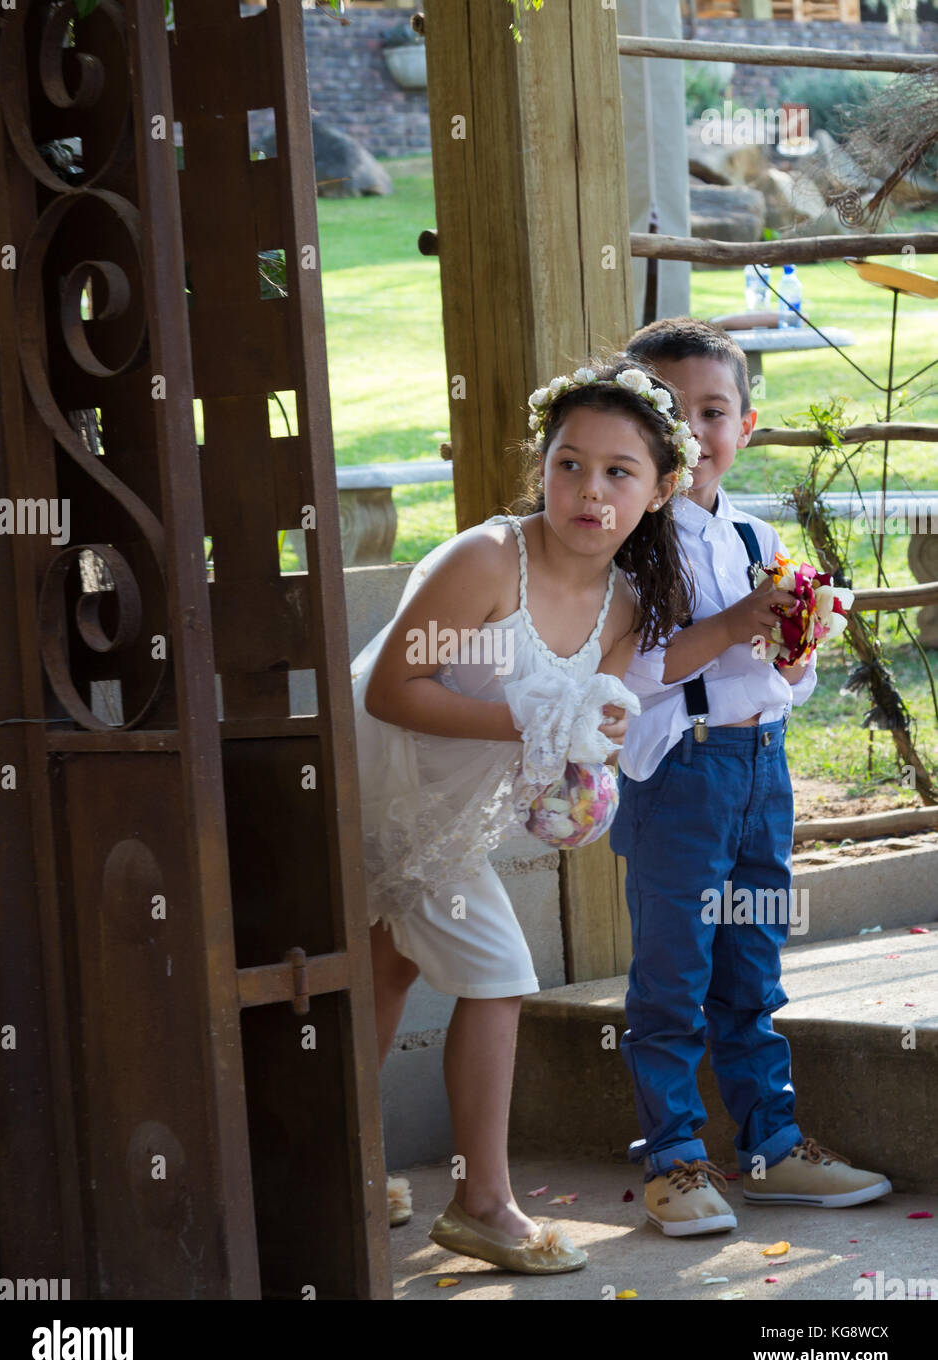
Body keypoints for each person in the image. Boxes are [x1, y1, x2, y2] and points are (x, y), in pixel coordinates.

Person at [351, 356, 698, 1272]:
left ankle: (335, 1166)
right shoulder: (484, 560)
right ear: (540, 467)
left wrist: (592, 755)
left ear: (661, 490)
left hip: (454, 805)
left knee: (384, 970)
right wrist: (532, 720)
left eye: (619, 472)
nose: (589, 490)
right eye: (569, 464)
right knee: (499, 972)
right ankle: (484, 1203)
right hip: (377, 783)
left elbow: (596, 716)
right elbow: (391, 689)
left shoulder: (626, 601)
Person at [611, 317, 892, 1237]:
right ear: (638, 426)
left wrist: (796, 641)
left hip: (761, 774)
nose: (694, 431)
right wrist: (733, 625)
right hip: (681, 779)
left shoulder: (754, 532)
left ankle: (771, 1146)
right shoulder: (630, 544)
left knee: (752, 967)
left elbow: (786, 679)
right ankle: (675, 1161)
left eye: (713, 410)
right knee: (672, 978)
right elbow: (630, 670)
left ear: (747, 424)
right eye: (671, 411)